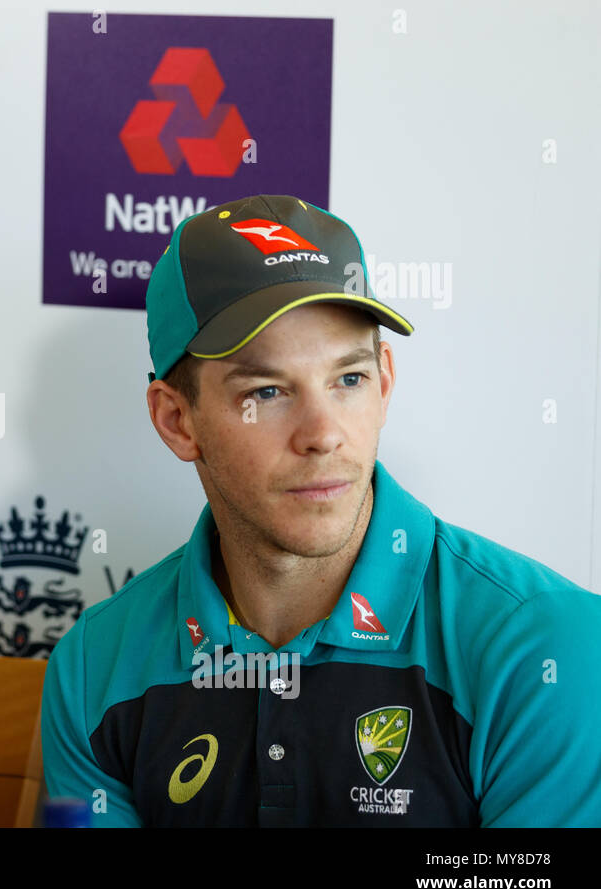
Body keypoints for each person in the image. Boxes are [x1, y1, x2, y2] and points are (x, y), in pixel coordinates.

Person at [41, 193, 601, 827]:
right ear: (177, 420)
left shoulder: (548, 646)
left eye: (349, 380)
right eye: (269, 391)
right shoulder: (94, 665)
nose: (323, 433)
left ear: (385, 383)